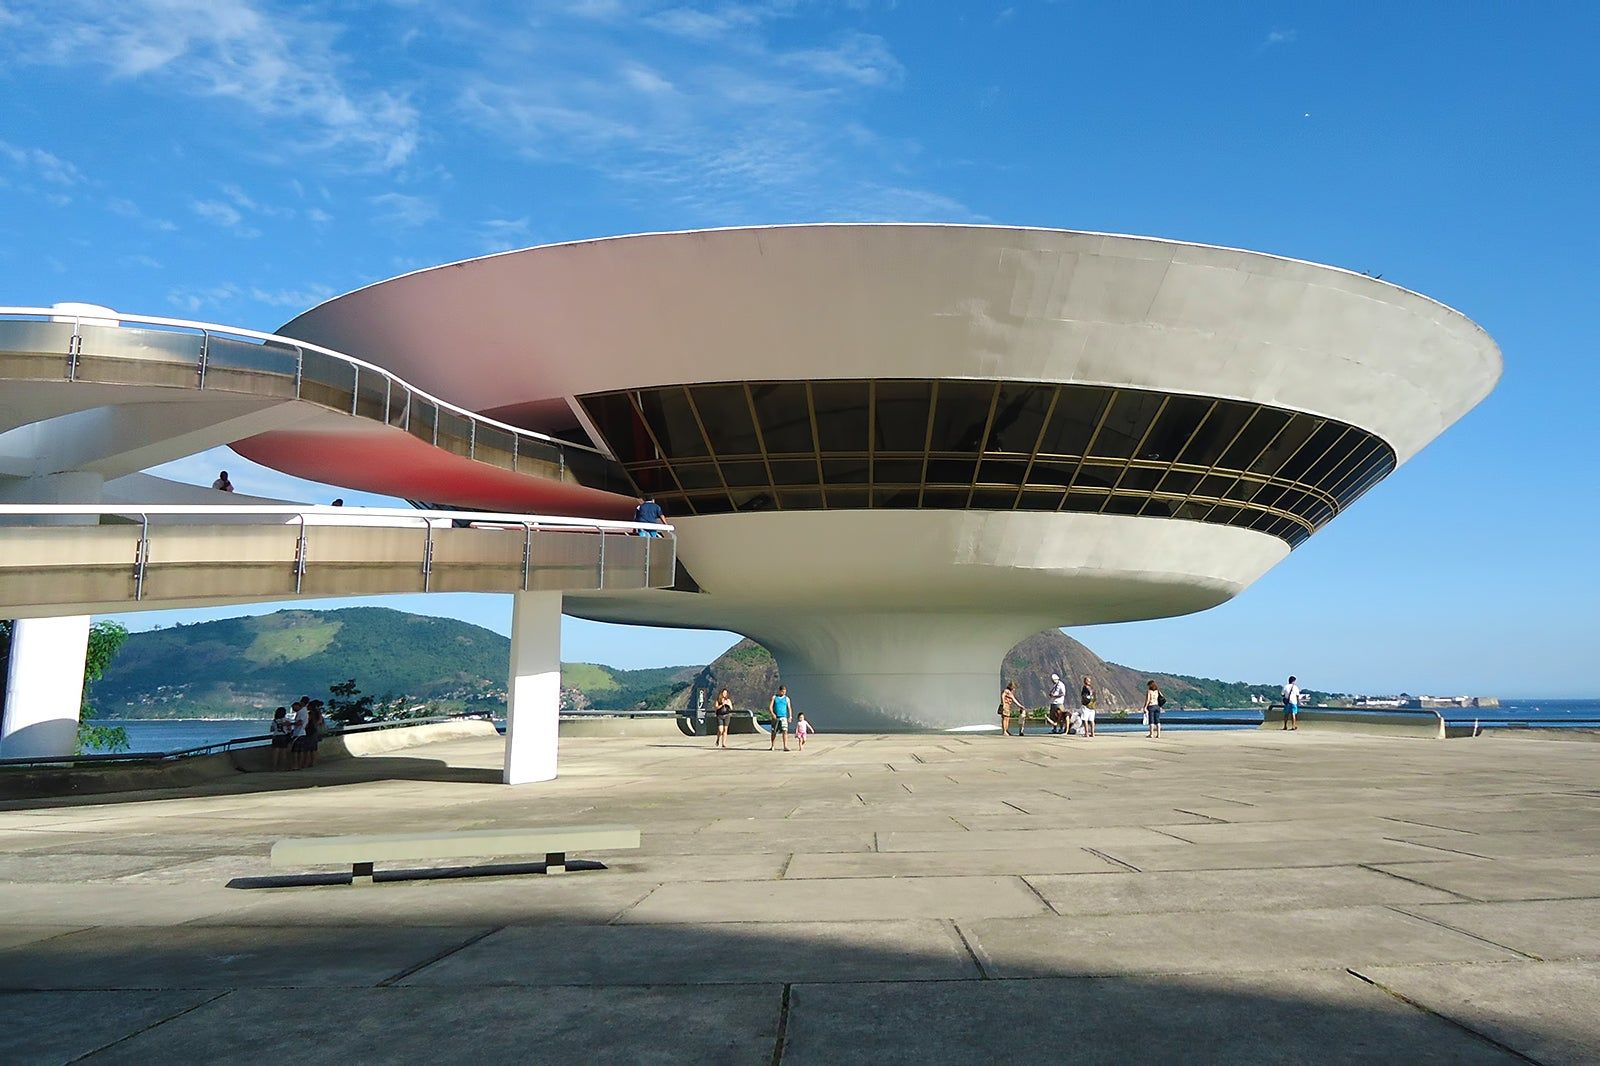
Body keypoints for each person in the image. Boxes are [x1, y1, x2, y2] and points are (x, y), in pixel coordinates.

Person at [769, 686, 792, 751]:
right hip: (776, 717)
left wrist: (790, 716)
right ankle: (772, 745)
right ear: (779, 691)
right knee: (774, 731)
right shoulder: (774, 697)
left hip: (783, 717)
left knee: (785, 731)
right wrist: (772, 714)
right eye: (782, 691)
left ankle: (785, 746)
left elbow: (789, 708)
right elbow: (770, 707)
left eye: (785, 692)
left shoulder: (787, 699)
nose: (784, 693)